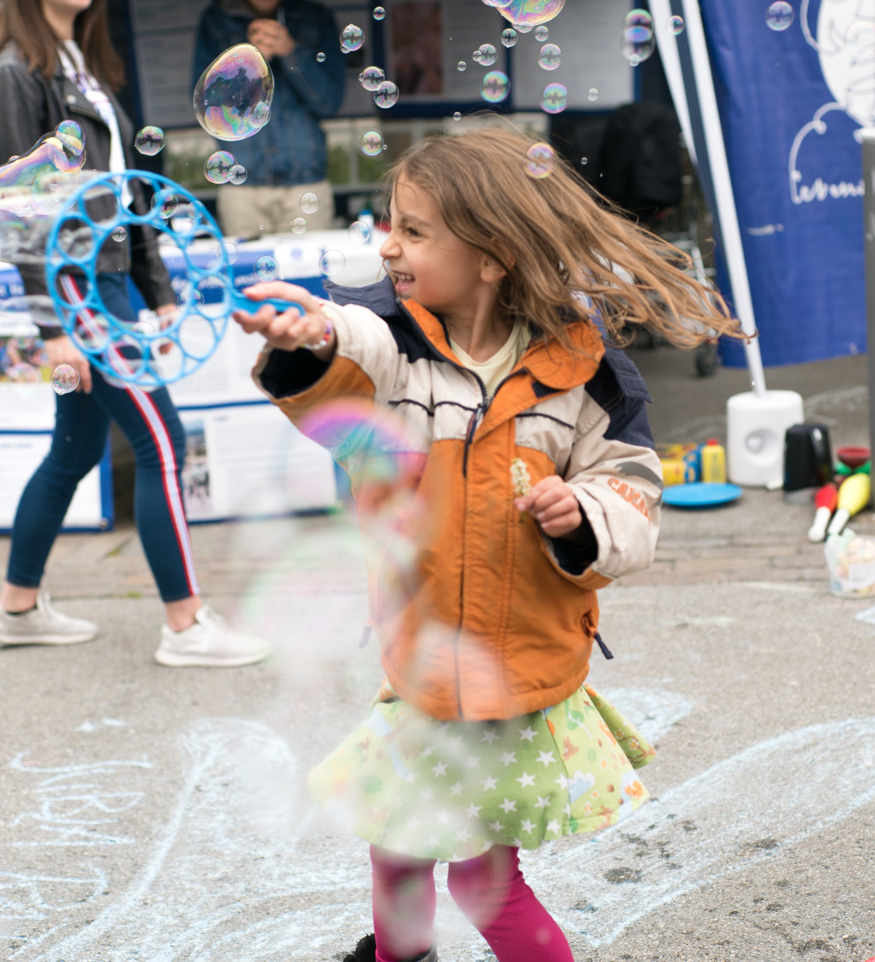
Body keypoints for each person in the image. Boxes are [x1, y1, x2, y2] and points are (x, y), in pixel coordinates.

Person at [231, 124, 742, 962]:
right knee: (397, 845)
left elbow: (634, 491)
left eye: (414, 230)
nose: (388, 246)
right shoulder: (396, 347)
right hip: (424, 664)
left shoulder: (583, 374)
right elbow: (350, 351)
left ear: (494, 255)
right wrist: (313, 337)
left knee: (481, 879)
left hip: (508, 676)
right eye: (389, 225)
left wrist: (582, 512)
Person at [0, 0, 271, 667]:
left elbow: (127, 192)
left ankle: (16, 609)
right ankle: (186, 627)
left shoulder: (81, 63)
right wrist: (52, 324)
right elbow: (20, 207)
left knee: (75, 450)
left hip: (105, 283)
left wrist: (156, 287)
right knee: (162, 442)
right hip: (74, 289)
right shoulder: (13, 75)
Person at [191, 0, 343, 238]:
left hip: (305, 181)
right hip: (242, 185)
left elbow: (329, 102)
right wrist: (247, 64)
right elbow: (207, 103)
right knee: (246, 263)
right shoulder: (215, 19)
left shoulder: (317, 17)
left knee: (309, 262)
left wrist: (291, 52)